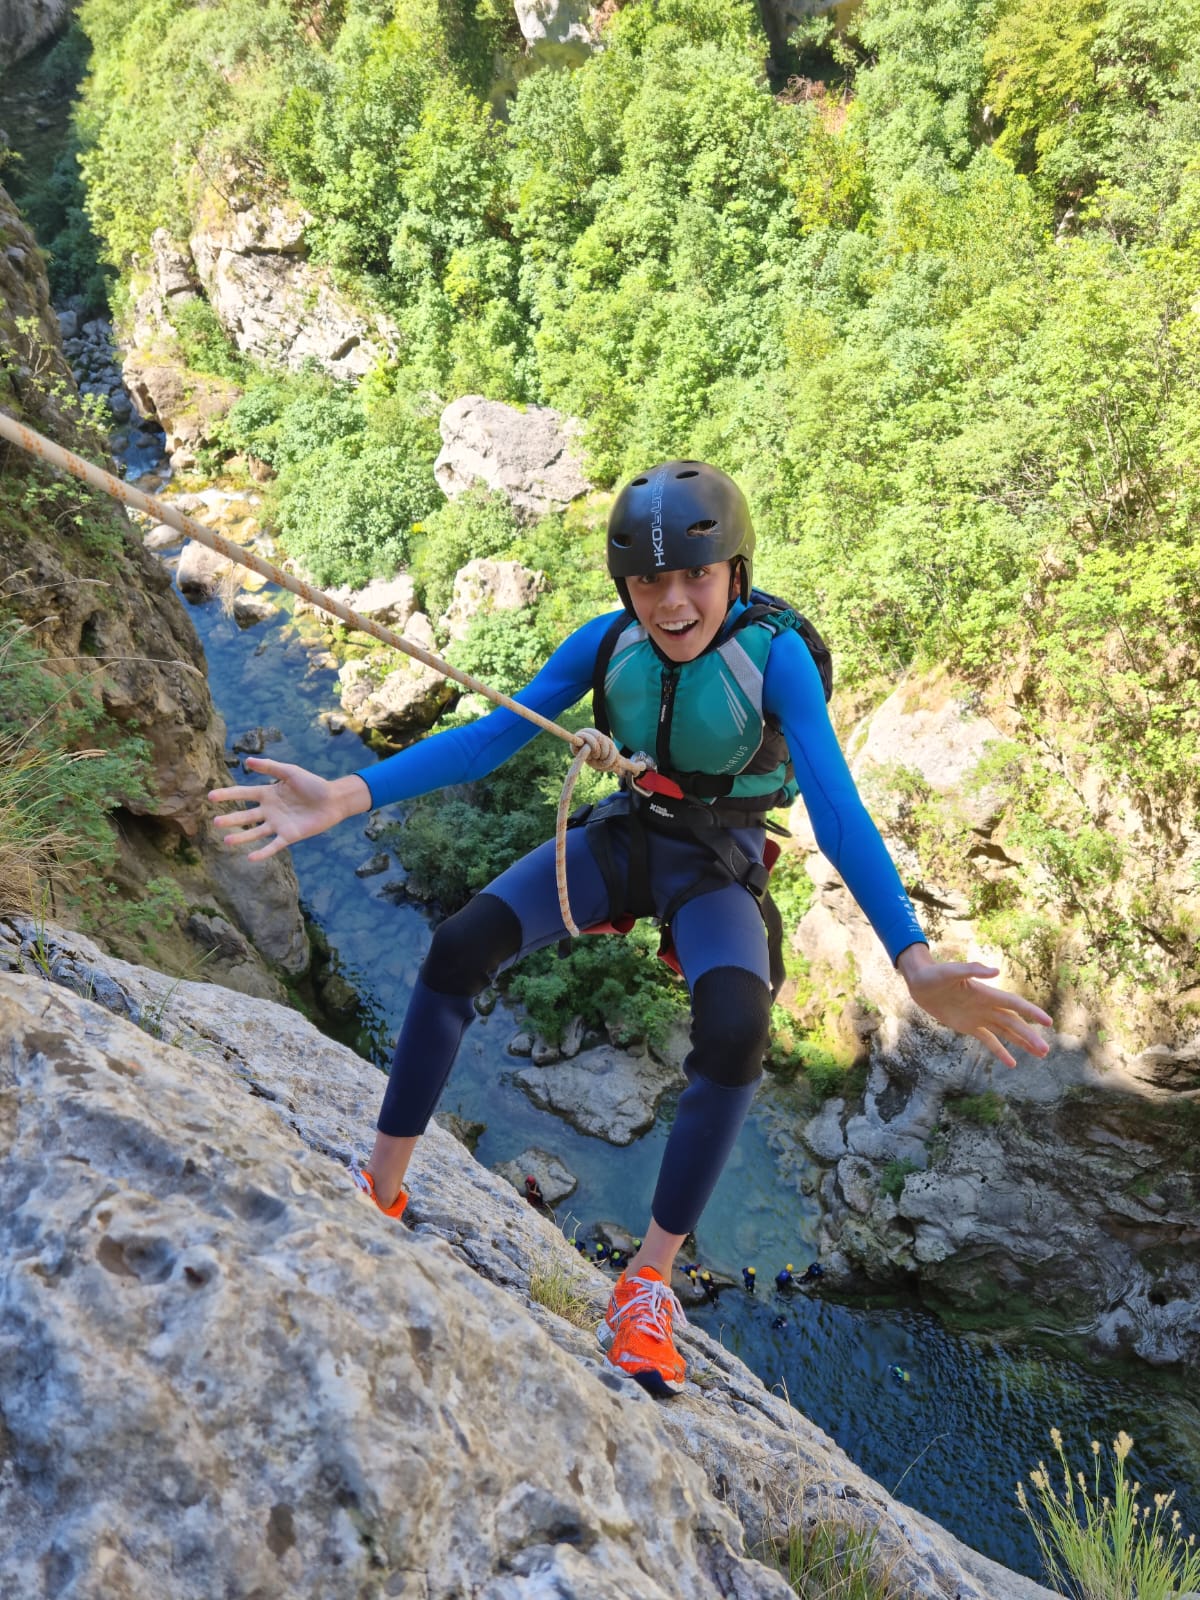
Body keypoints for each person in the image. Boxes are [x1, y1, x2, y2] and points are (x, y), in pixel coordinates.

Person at [210, 459, 1052, 1400]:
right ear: (625, 588)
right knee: (457, 949)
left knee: (737, 1027)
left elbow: (837, 809)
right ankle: (381, 1185)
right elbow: (494, 736)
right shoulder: (610, 644)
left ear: (736, 573)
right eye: (650, 581)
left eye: (696, 575)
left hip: (715, 865)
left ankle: (645, 1286)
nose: (674, 601)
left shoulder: (771, 657)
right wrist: (346, 793)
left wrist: (912, 959)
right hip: (626, 838)